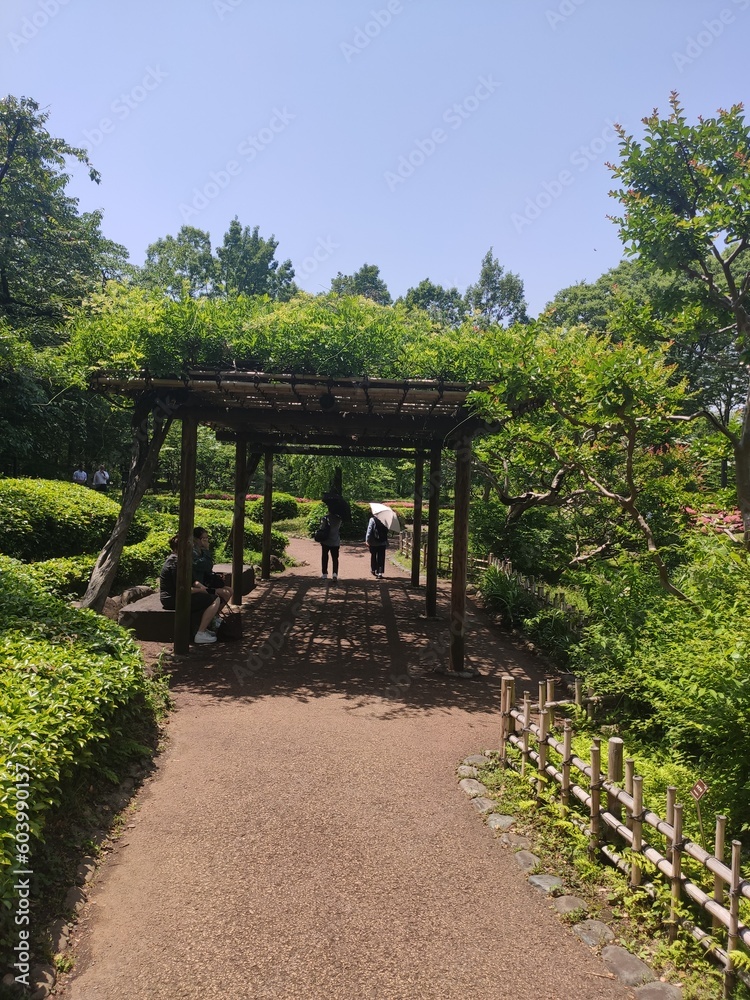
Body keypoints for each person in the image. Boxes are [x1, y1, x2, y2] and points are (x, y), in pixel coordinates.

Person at [160, 534, 221, 645]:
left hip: (181, 595)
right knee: (214, 599)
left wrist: (203, 587)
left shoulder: (182, 560)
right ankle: (200, 634)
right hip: (172, 599)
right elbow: (182, 589)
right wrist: (202, 591)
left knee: (210, 595)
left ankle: (203, 627)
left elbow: (193, 581)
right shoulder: (175, 563)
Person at [192, 527, 232, 610]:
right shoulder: (193, 552)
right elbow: (207, 565)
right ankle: (214, 617)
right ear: (195, 539)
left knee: (230, 590)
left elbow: (208, 568)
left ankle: (215, 615)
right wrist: (206, 550)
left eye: (207, 538)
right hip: (198, 586)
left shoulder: (201, 550)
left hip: (204, 583)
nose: (206, 540)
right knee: (225, 593)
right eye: (203, 538)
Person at [318, 508, 342, 581]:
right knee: (335, 558)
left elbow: (322, 527)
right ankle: (335, 573)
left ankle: (324, 573)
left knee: (325, 556)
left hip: (326, 540)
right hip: (335, 541)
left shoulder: (325, 518)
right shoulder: (339, 519)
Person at [365, 512, 389, 578]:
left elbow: (369, 530)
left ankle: (373, 569)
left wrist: (367, 540)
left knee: (373, 556)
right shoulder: (385, 520)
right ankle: (380, 572)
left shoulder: (372, 520)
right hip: (382, 542)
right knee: (381, 557)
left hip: (373, 542)